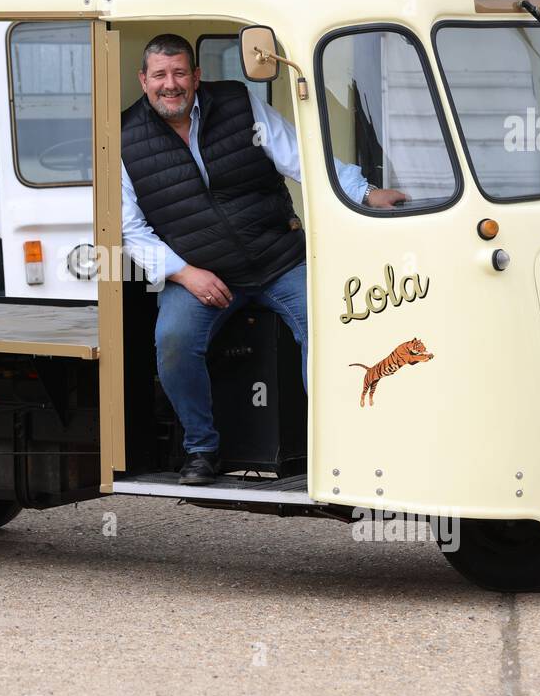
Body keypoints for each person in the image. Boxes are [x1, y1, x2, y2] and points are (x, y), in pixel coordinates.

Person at [120, 33, 406, 485]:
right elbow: (129, 229)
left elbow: (304, 159)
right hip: (200, 273)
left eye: (179, 73)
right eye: (159, 75)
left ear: (196, 76)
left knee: (333, 324)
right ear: (143, 79)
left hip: (278, 258)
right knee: (172, 342)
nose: (169, 84)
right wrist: (185, 273)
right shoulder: (122, 138)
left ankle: (338, 445)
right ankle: (201, 449)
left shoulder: (237, 102)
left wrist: (365, 192)